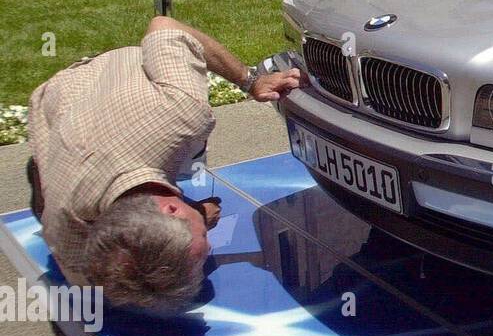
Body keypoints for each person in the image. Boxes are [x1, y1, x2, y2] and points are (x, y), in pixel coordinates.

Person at [26, 17, 300, 312]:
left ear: (171, 208)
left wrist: (251, 81)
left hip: (107, 81)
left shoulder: (180, 114)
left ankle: (40, 171)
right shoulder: (66, 221)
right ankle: (39, 170)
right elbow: (96, 277)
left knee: (188, 156)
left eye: (202, 241)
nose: (210, 249)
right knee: (89, 279)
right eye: (206, 239)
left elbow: (164, 25)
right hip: (61, 110)